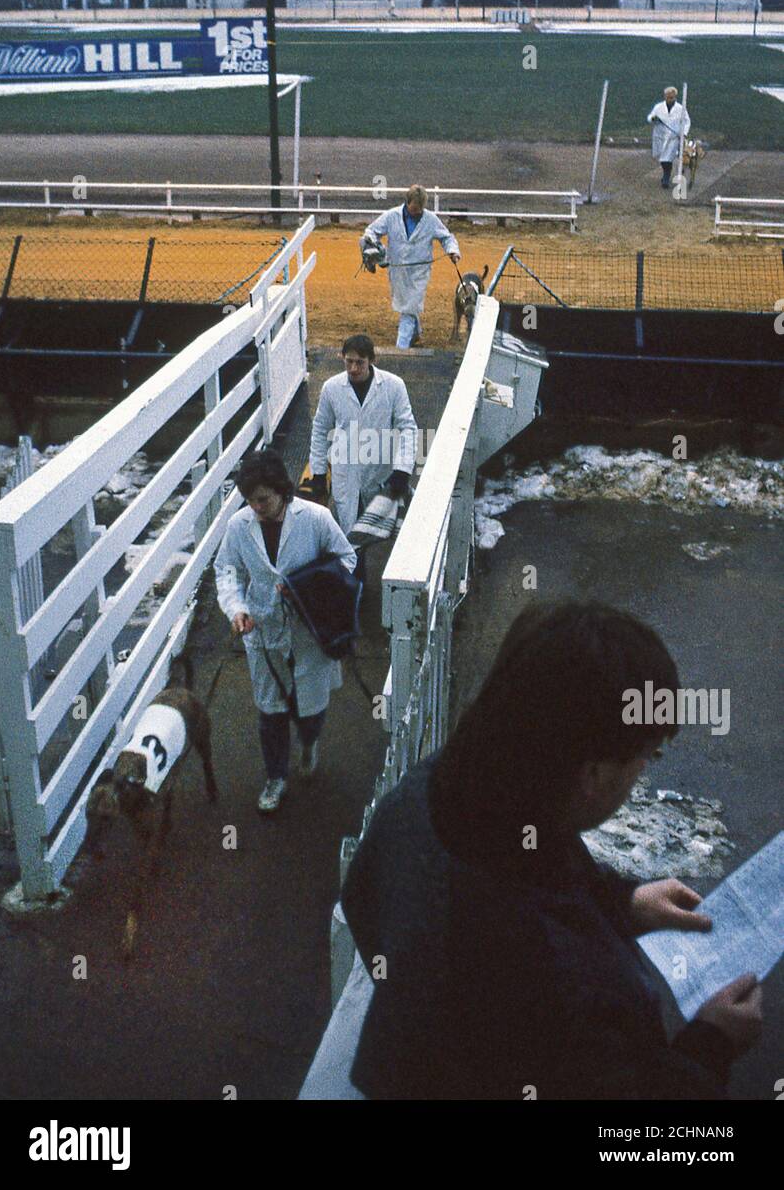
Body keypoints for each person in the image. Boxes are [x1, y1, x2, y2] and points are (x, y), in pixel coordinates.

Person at [341, 600, 763, 1099]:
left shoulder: (435, 792)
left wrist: (619, 903)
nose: (644, 770)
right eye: (646, 756)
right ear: (595, 775)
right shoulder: (552, 983)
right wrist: (711, 1045)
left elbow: (363, 897)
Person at [214, 449, 356, 813]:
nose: (256, 508)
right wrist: (238, 609)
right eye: (250, 501)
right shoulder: (238, 526)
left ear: (282, 491)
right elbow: (228, 571)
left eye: (263, 499)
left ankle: (309, 742)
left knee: (310, 707)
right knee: (270, 710)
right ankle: (276, 777)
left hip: (310, 630)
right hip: (263, 633)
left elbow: (347, 560)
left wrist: (306, 586)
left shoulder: (316, 519)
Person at [309, 334, 417, 544]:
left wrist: (402, 470)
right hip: (345, 472)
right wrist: (319, 473)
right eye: (349, 361)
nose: (353, 369)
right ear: (342, 358)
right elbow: (320, 430)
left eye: (360, 362)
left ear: (372, 360)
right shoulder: (331, 388)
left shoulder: (394, 386)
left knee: (379, 533)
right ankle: (356, 575)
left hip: (379, 471)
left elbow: (408, 428)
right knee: (348, 536)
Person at [361, 184, 461, 348]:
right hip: (398, 270)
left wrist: (453, 251)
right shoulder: (391, 216)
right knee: (408, 304)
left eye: (420, 209)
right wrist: (371, 242)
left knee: (409, 308)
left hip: (419, 272)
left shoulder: (430, 219)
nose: (417, 213)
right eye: (414, 208)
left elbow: (447, 238)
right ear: (406, 203)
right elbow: (371, 231)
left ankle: (402, 347)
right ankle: (415, 333)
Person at [647, 85, 691, 189]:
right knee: (662, 157)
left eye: (672, 97)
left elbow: (686, 122)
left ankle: (666, 176)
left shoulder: (680, 109)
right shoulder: (658, 107)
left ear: (675, 97)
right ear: (665, 96)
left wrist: (683, 133)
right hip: (660, 136)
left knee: (668, 158)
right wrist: (653, 119)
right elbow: (650, 116)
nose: (670, 99)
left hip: (673, 137)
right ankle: (665, 173)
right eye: (668, 97)